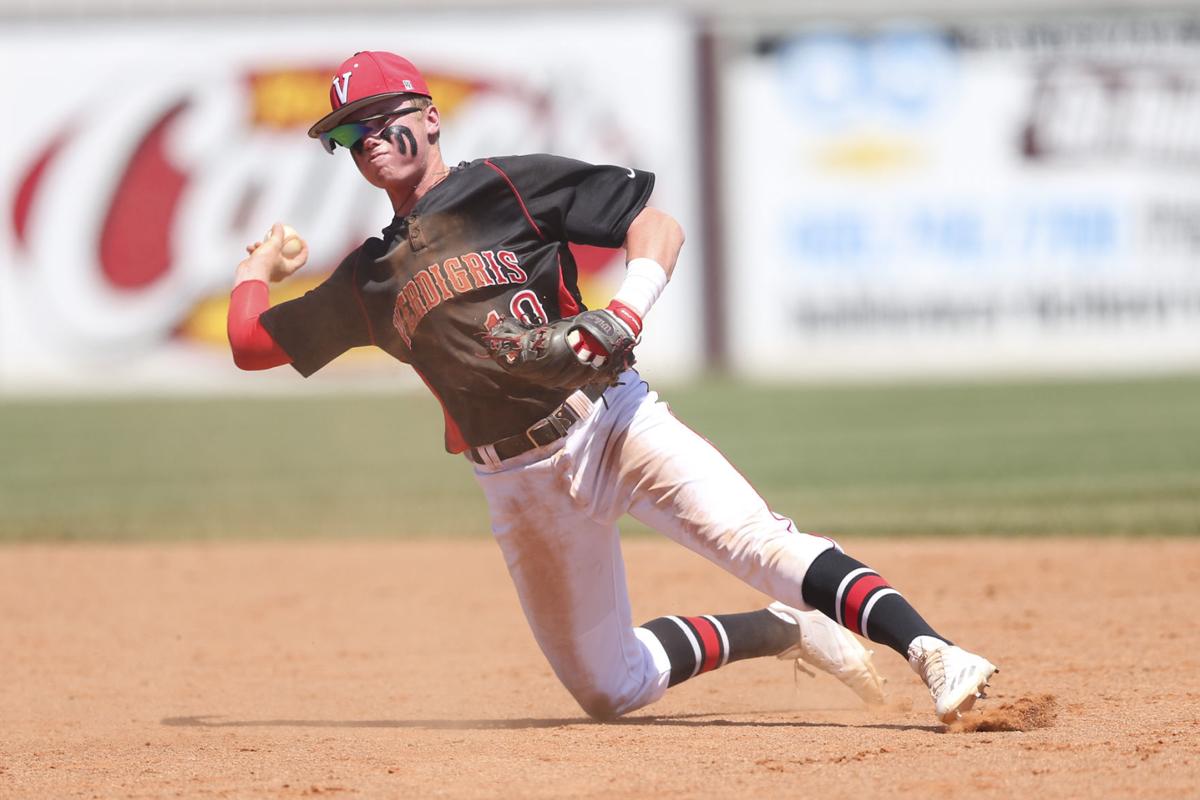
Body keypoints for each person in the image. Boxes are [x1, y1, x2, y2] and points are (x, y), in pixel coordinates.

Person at [227, 50, 997, 723]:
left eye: (376, 119)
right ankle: (787, 630)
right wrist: (254, 269)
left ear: (429, 118)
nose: (363, 141)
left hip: (612, 420)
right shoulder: (371, 278)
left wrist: (627, 308)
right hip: (517, 484)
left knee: (761, 543)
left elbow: (656, 225)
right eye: (345, 135)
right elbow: (250, 344)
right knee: (607, 689)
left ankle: (934, 652)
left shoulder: (505, 185)